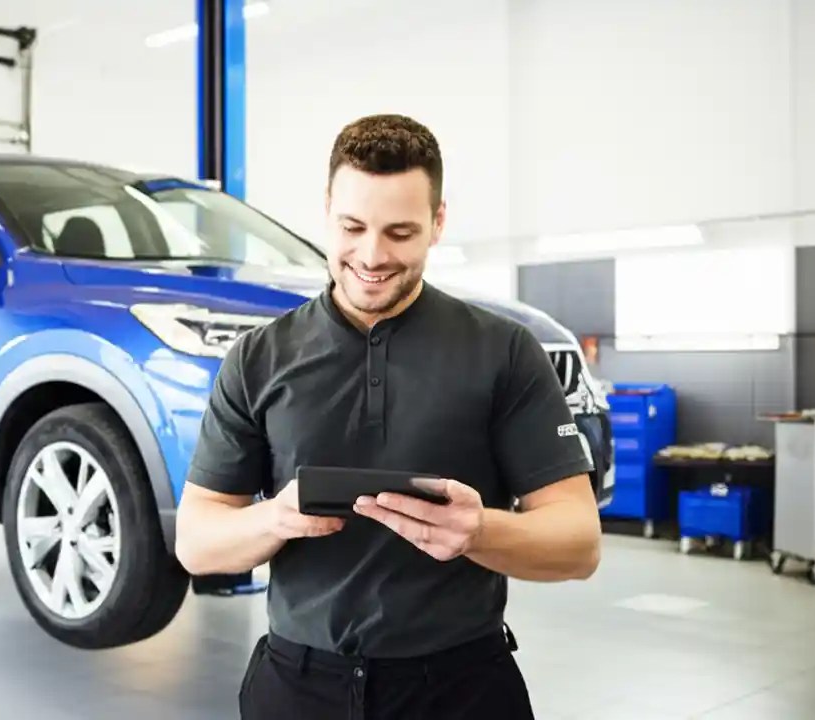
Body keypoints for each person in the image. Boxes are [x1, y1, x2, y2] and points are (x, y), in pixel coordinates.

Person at [174, 113, 603, 719]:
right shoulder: (257, 358)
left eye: (400, 233)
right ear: (327, 210)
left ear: (438, 223)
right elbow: (196, 543)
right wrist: (276, 518)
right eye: (352, 227)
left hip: (461, 689)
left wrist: (479, 532)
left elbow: (578, 543)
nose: (371, 256)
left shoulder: (504, 352)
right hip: (297, 688)